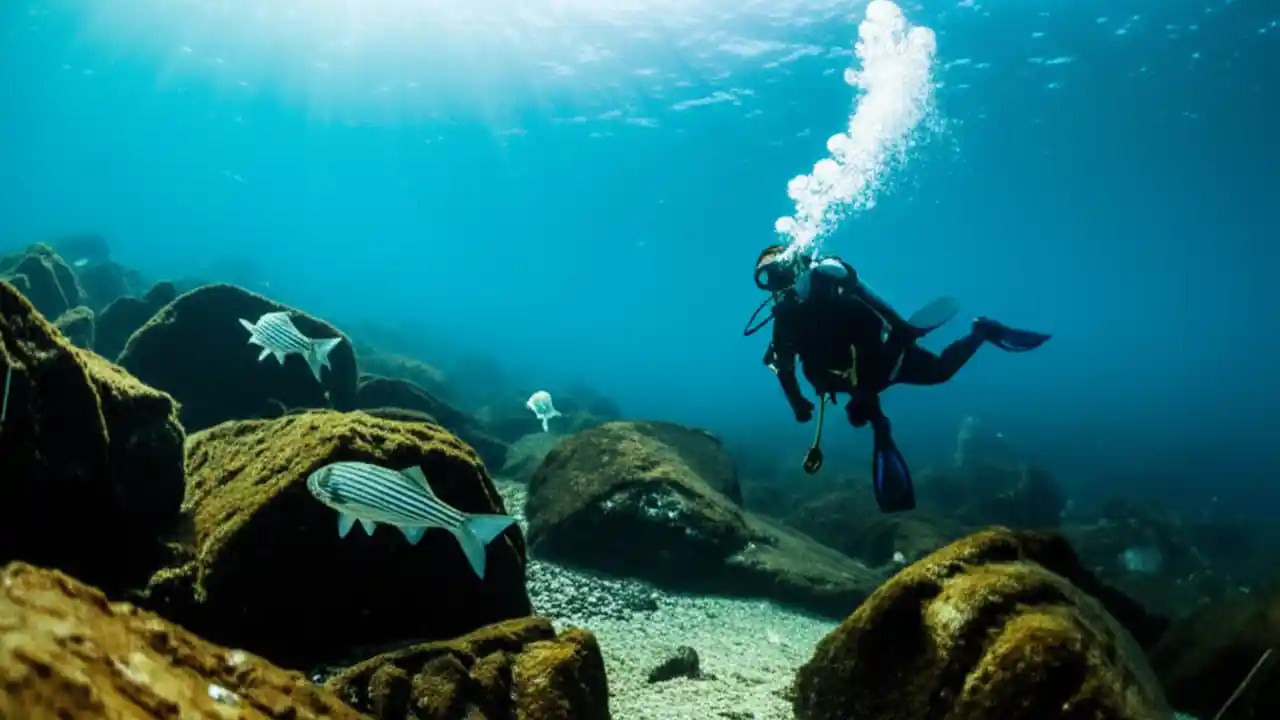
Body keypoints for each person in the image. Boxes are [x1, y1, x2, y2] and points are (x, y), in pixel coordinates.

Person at [747, 243, 1050, 513]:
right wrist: (797, 402)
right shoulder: (785, 318)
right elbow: (784, 365)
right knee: (863, 410)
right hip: (850, 377)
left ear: (795, 266)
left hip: (885, 358)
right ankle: (878, 420)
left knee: (939, 373)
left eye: (779, 272)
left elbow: (869, 316)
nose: (776, 284)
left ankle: (982, 331)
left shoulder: (831, 288)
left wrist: (896, 335)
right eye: (767, 279)